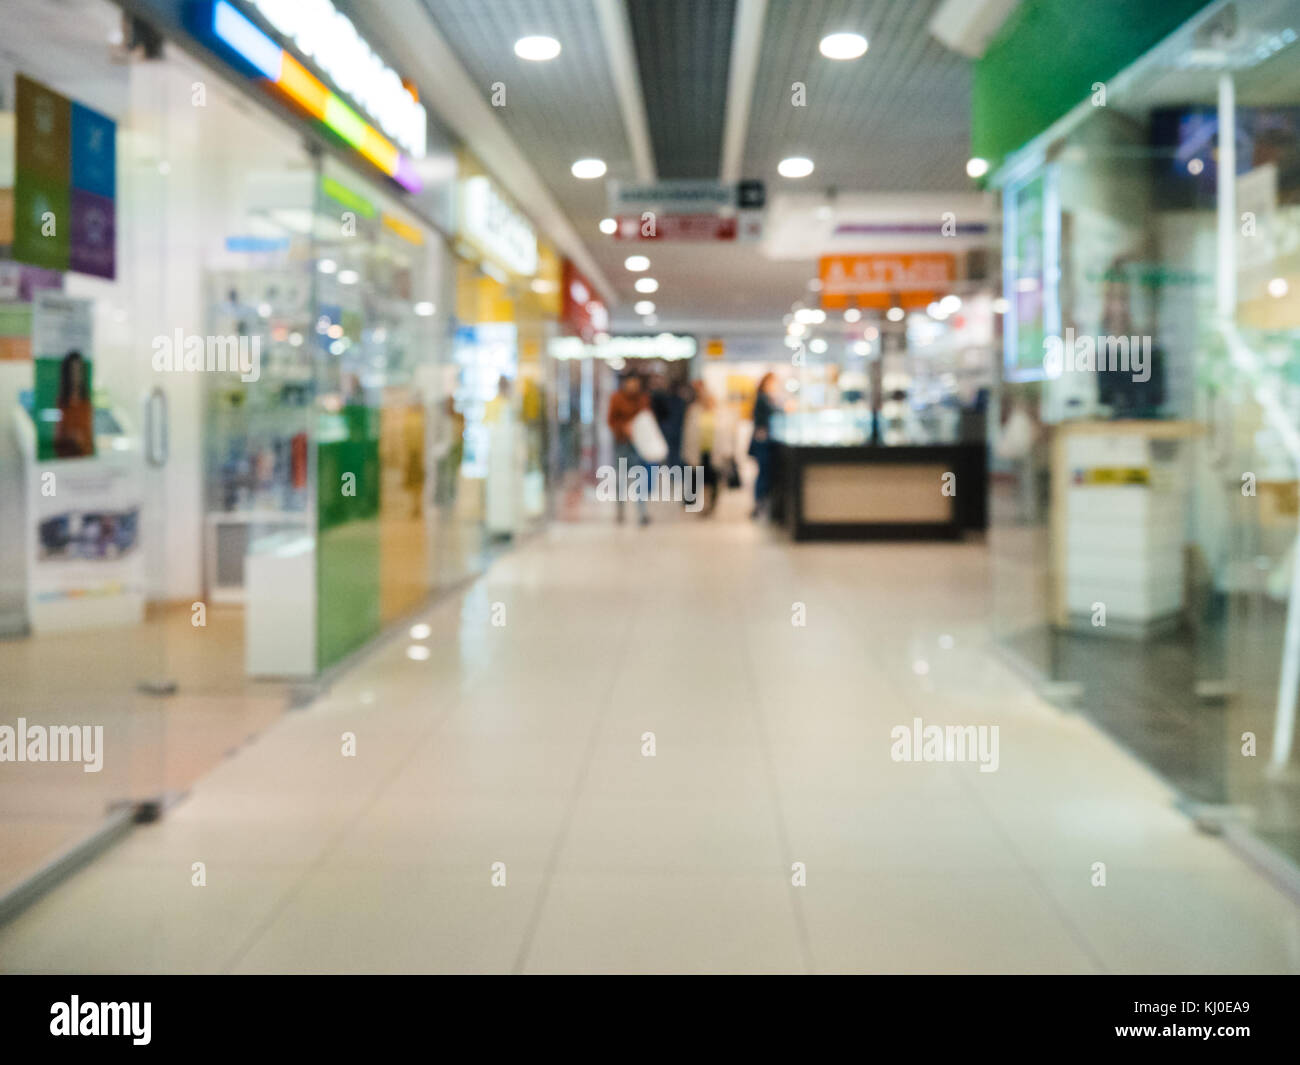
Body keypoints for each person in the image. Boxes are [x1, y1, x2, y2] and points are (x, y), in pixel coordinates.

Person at [682, 379, 734, 517]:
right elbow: (688, 434)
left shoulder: (721, 414)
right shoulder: (694, 412)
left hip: (715, 453)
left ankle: (710, 504)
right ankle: (700, 503)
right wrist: (686, 452)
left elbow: (726, 435)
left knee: (713, 480)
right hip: (699, 452)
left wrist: (727, 451)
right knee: (699, 479)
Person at [607, 372, 650, 525]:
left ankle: (642, 512)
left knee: (640, 478)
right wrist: (623, 428)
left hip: (638, 444)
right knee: (621, 479)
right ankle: (620, 511)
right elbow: (611, 420)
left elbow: (647, 419)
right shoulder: (617, 398)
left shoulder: (642, 399)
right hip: (622, 443)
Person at [748, 371, 781, 519]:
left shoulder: (765, 398)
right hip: (763, 441)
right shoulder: (762, 399)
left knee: (764, 473)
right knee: (763, 473)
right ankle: (759, 503)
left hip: (765, 440)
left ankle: (762, 503)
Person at [53, 350, 94, 458]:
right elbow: (58, 434)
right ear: (67, 372)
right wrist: (72, 436)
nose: (76, 375)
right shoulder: (62, 403)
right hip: (66, 457)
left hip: (85, 457)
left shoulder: (86, 402)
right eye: (73, 370)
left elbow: (89, 433)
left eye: (78, 370)